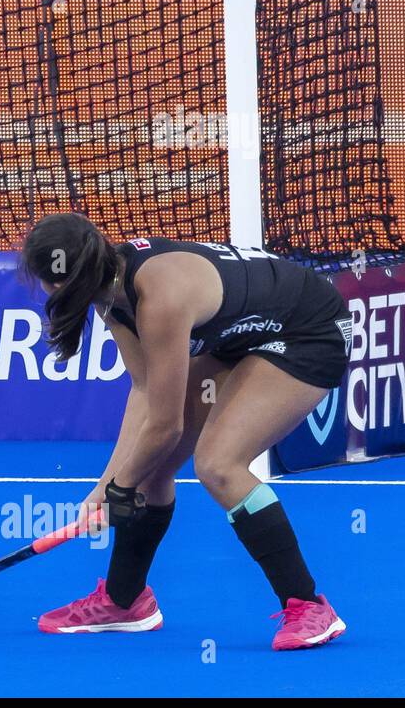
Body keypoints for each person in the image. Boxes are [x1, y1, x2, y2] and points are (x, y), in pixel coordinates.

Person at [20, 212, 349, 650]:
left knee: (218, 464)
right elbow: (144, 394)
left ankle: (310, 607)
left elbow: (166, 424)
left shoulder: (159, 298)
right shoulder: (109, 291)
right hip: (242, 336)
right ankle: (125, 601)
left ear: (58, 282)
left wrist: (121, 487)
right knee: (151, 468)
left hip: (309, 331)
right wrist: (102, 490)